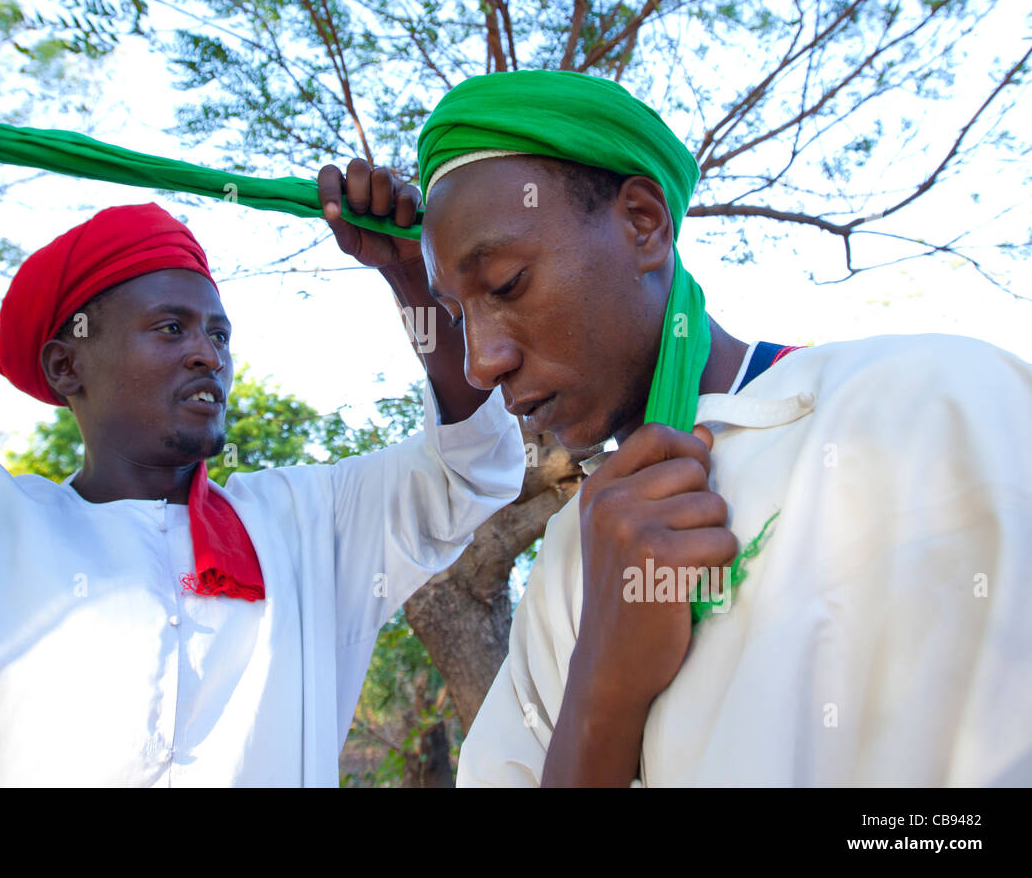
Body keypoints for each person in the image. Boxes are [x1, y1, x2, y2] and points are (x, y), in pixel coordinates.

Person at [0, 55, 525, 786]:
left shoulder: (305, 527)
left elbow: (473, 466)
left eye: (218, 333)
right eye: (171, 328)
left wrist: (406, 278)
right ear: (66, 365)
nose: (209, 354)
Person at [345, 68, 1032, 786]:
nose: (482, 361)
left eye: (509, 283)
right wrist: (602, 695)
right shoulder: (567, 566)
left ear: (644, 222)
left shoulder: (936, 409)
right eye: (456, 316)